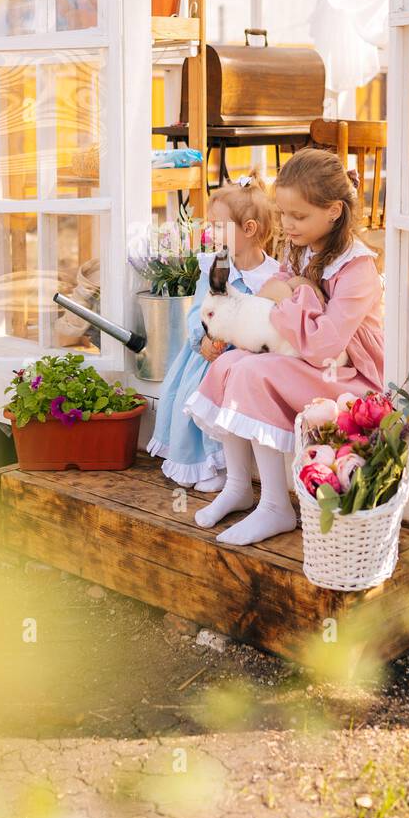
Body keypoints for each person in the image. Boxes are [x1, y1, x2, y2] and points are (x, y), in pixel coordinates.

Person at [184, 147, 384, 546]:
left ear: (334, 211)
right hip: (303, 353)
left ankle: (276, 506)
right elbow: (278, 295)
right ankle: (240, 485)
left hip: (350, 376)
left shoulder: (356, 269)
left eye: (299, 216)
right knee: (229, 364)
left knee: (255, 373)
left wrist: (294, 294)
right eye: (284, 214)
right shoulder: (302, 248)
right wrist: (293, 291)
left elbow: (326, 344)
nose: (287, 225)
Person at [146, 173, 279, 491]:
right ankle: (202, 465)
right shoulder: (216, 265)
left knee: (225, 402)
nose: (211, 231)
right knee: (192, 396)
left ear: (248, 229)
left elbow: (269, 321)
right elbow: (198, 311)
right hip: (208, 352)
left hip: (244, 357)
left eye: (220, 225)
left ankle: (224, 468)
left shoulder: (271, 277)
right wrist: (202, 339)